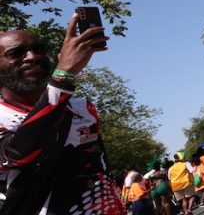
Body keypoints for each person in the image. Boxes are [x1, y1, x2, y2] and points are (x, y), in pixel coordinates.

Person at [0, 14, 126, 215]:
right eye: (16, 53)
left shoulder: (82, 108)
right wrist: (63, 77)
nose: (33, 56)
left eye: (39, 49)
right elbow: (19, 156)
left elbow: (100, 168)